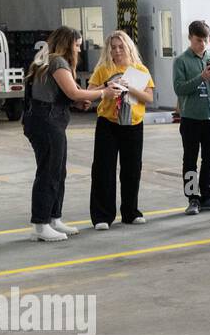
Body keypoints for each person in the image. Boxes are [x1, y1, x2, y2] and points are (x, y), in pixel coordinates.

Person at [24, 27, 121, 241]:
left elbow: (66, 94)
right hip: (46, 121)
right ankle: (41, 224)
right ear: (68, 43)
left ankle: (53, 218)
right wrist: (103, 93)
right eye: (77, 45)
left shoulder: (48, 60)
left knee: (58, 171)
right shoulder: (58, 61)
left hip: (49, 120)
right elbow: (73, 92)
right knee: (49, 171)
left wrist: (79, 100)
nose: (79, 49)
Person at [88, 30, 154, 230]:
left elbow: (148, 98)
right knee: (103, 169)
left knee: (132, 169)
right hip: (108, 123)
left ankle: (130, 211)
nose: (117, 50)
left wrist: (129, 88)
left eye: (120, 46)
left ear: (128, 47)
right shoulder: (103, 69)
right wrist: (107, 87)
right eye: (113, 47)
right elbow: (90, 93)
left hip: (133, 124)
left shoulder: (140, 69)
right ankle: (102, 216)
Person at [174, 20, 210, 215]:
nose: (202, 44)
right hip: (190, 118)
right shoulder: (181, 61)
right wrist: (201, 78)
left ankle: (206, 196)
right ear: (190, 38)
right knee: (190, 159)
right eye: (198, 40)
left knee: (209, 160)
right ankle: (192, 198)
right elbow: (179, 88)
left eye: (205, 40)